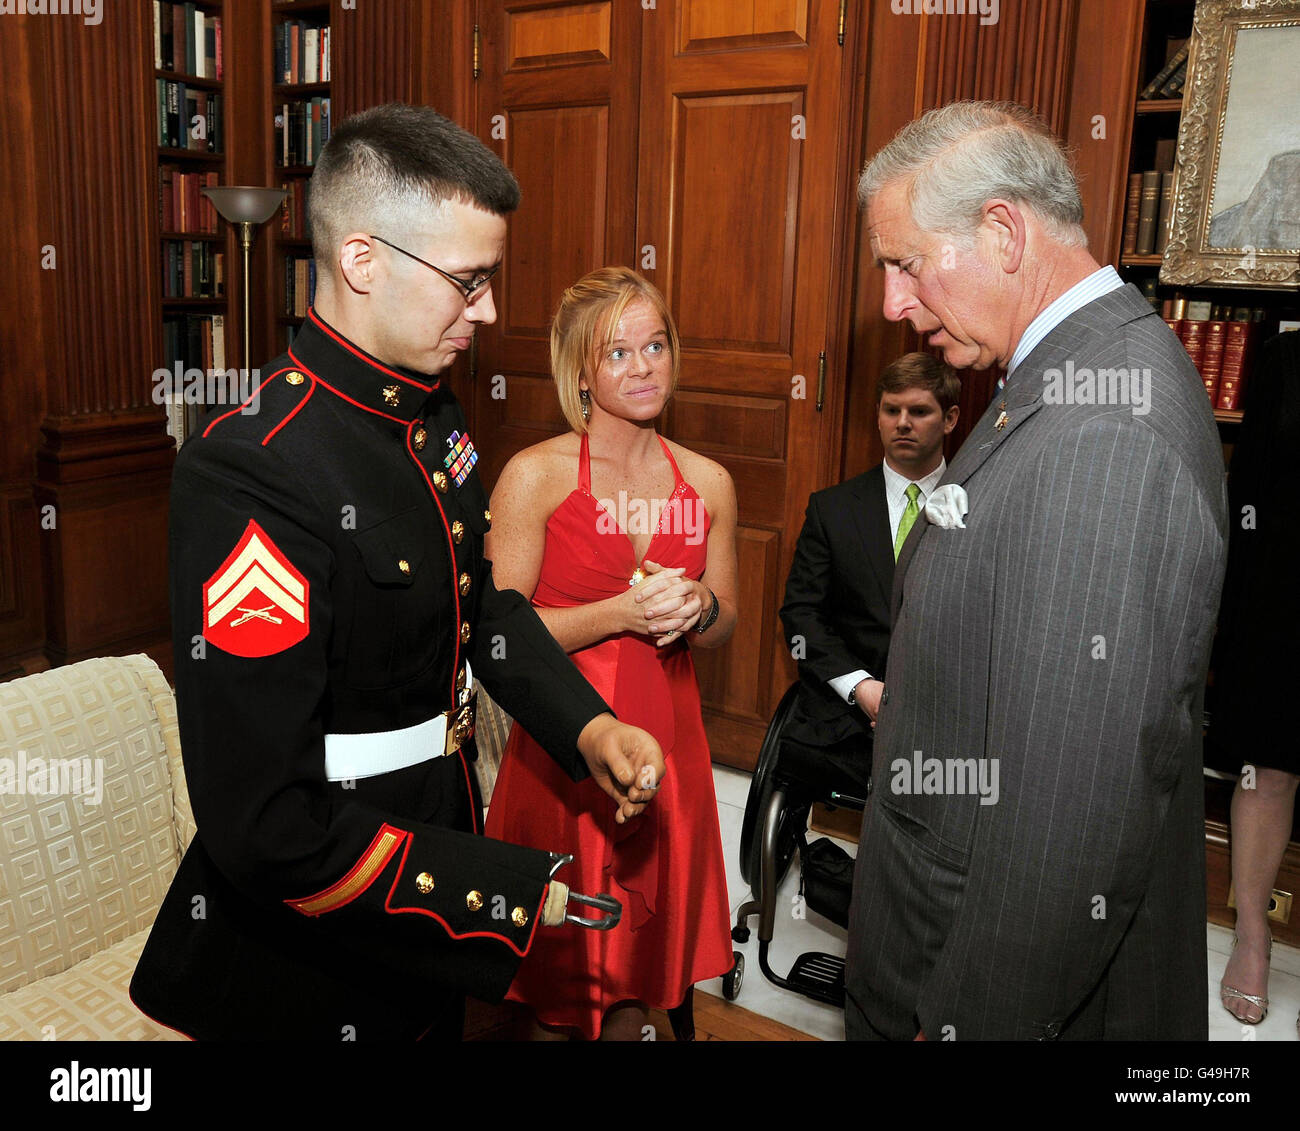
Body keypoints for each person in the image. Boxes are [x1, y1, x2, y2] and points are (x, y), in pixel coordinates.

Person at [128, 104, 665, 1041]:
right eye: (469, 282)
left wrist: (586, 727)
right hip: (316, 924)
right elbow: (263, 823)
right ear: (363, 261)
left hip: (431, 834)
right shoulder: (255, 465)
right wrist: (492, 894)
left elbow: (479, 606)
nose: (489, 311)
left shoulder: (430, 416)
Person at [846, 100, 1227, 1040]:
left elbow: (1064, 829)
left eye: (905, 263)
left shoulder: (1105, 436)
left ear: (1004, 232)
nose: (894, 302)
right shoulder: (1065, 369)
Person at [483, 266, 737, 1041]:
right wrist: (619, 611)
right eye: (618, 353)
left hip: (672, 750)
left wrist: (700, 605)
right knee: (561, 980)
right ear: (582, 373)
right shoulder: (535, 476)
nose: (643, 366)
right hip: (565, 750)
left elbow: (726, 623)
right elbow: (496, 634)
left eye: (655, 345)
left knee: (638, 976)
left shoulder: (710, 481)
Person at [780, 352, 959, 774]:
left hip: (947, 720)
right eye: (890, 410)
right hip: (846, 717)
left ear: (949, 419)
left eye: (919, 411)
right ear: (877, 415)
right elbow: (801, 614)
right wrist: (859, 686)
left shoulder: (980, 508)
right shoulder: (833, 509)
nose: (902, 422)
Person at [1210, 328, 1300, 1029]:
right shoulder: (1286, 357)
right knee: (1268, 770)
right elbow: (1252, 495)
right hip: (1287, 600)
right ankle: (1252, 938)